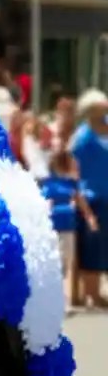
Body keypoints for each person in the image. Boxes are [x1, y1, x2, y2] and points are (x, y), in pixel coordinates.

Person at [43, 148, 98, 310]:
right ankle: (54, 300)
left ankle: (62, 301)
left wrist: (90, 218)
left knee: (67, 261)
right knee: (56, 262)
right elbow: (45, 202)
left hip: (68, 226)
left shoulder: (71, 183)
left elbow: (80, 201)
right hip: (53, 226)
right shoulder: (50, 182)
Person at [70, 88, 108, 308]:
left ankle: (96, 291)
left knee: (103, 245)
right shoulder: (82, 137)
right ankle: (91, 293)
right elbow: (72, 167)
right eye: (102, 106)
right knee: (92, 245)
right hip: (91, 197)